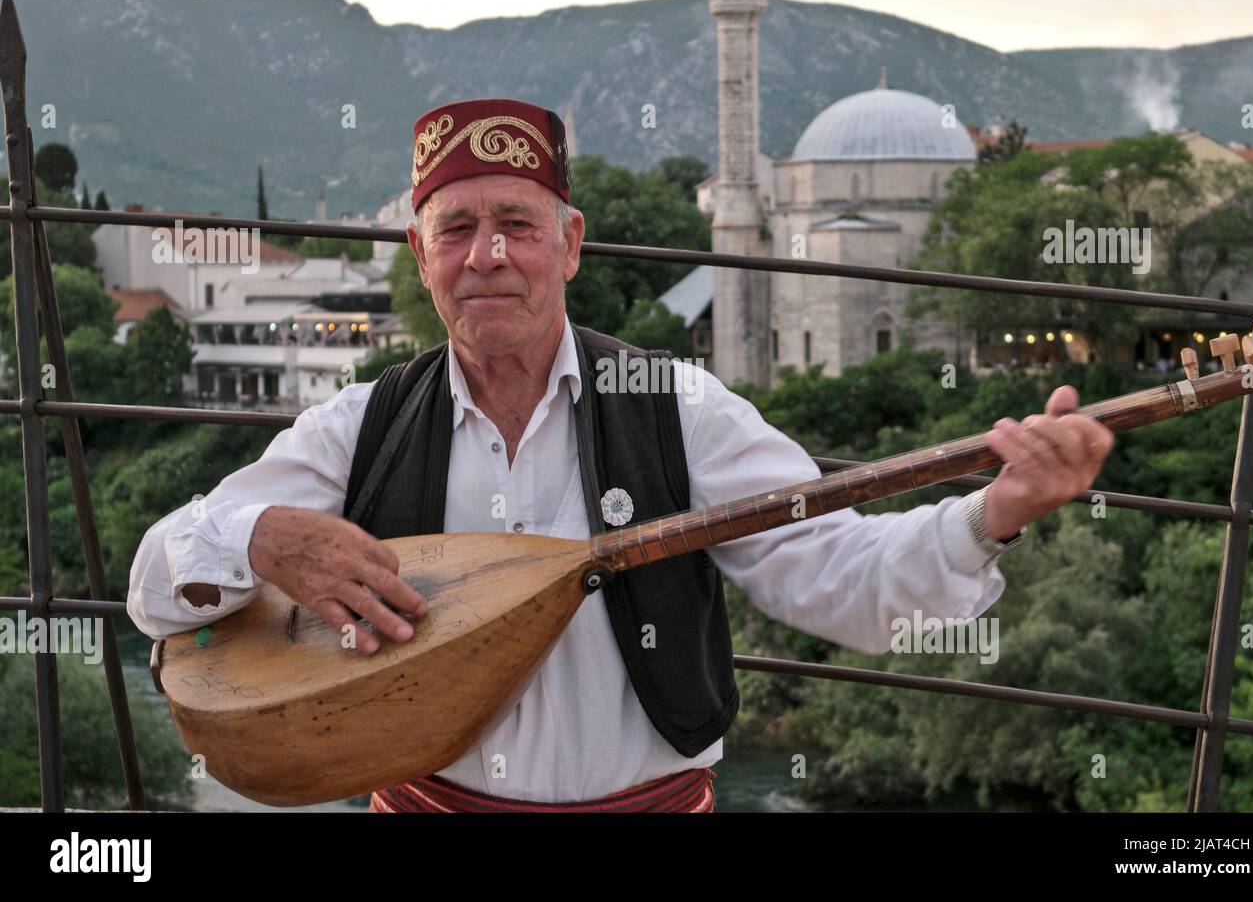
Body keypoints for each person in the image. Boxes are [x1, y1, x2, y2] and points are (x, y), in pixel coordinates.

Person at [127, 98, 1114, 813]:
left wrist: (994, 512)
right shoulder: (363, 421)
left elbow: (835, 573)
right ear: (420, 254)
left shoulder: (676, 406)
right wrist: (257, 536)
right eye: (455, 229)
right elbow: (153, 580)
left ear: (570, 243)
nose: (488, 256)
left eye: (516, 223)